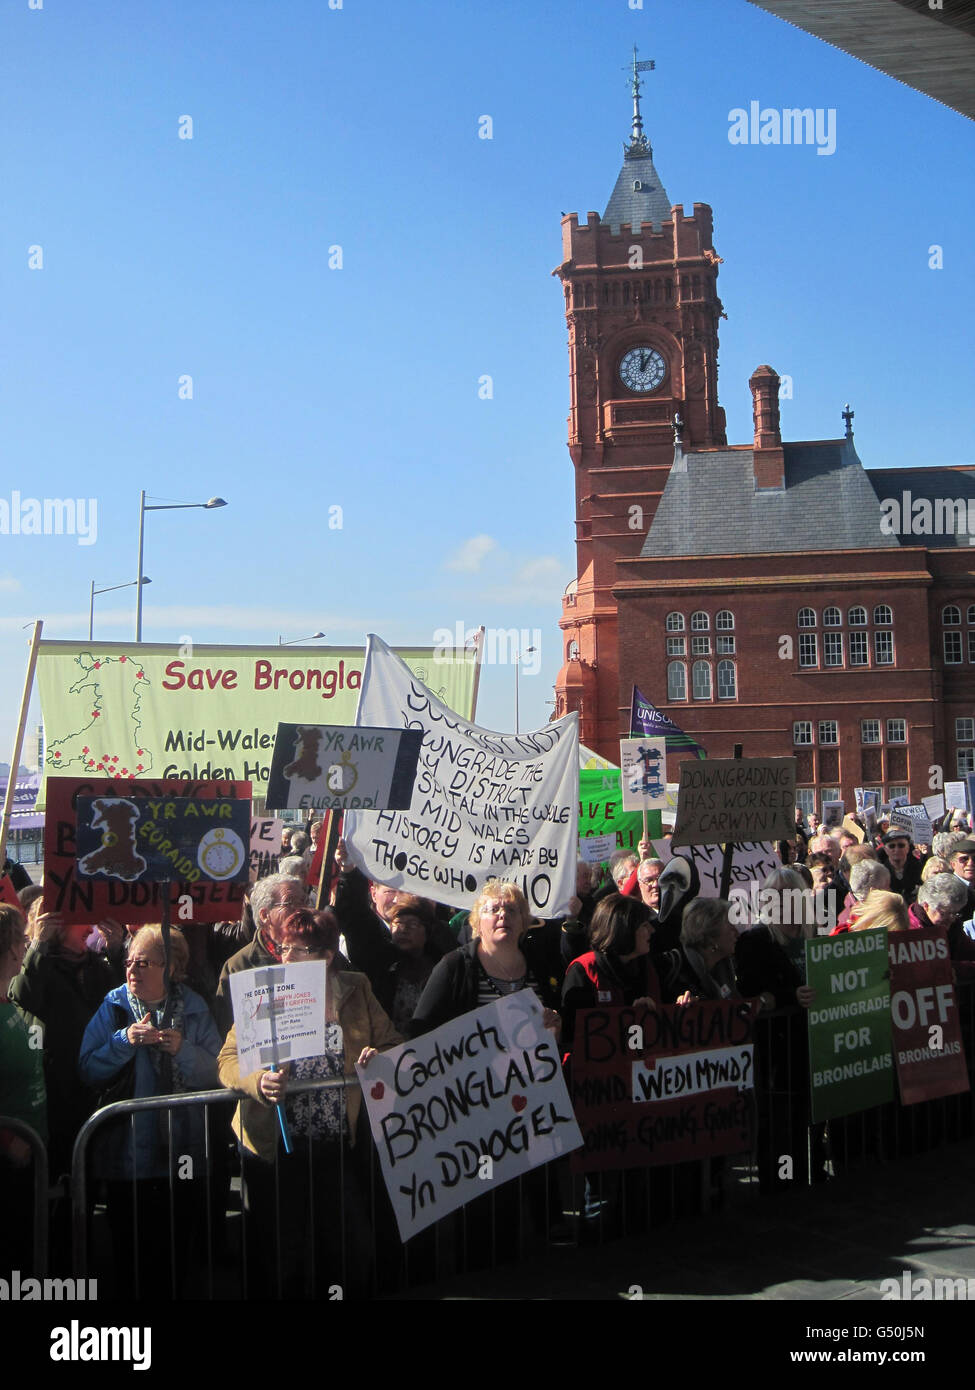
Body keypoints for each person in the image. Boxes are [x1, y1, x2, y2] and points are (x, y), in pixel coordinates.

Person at [217, 907, 400, 1297]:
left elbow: (391, 1045)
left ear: (325, 956)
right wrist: (258, 1081)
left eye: (296, 950)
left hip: (336, 1141)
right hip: (275, 1144)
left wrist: (374, 1057)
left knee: (345, 1245)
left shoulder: (355, 988)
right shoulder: (265, 991)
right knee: (281, 1252)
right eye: (282, 947)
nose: (285, 957)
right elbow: (227, 1060)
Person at [79, 925, 222, 1297]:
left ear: (170, 968)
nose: (132, 970)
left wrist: (183, 1051)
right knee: (132, 1256)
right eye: (129, 961)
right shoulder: (113, 1006)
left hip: (183, 1152)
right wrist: (123, 1041)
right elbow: (88, 1068)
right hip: (129, 1158)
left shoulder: (192, 1007)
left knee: (177, 1253)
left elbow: (218, 1070)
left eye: (143, 963)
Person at [734, 868, 823, 1188]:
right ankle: (781, 1182)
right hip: (777, 1049)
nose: (784, 901)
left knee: (807, 1116)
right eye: (777, 895)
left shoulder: (815, 933)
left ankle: (813, 1173)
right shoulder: (755, 939)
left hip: (814, 1043)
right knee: (780, 1121)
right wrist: (788, 997)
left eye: (790, 894)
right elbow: (749, 991)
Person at [408, 880, 562, 1037]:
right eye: (493, 909)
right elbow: (420, 1032)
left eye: (511, 910)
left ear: (523, 923)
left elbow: (558, 1023)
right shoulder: (454, 967)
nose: (503, 914)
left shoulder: (539, 964)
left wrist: (555, 1026)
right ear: (477, 924)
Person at [0, 904, 46, 1272]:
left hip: (29, 1164)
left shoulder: (11, 1002)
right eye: (23, 938)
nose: (27, 943)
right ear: (14, 948)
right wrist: (6, 1140)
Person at [214, 872, 309, 1035]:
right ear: (265, 915)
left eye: (304, 902)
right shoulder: (239, 967)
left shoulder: (322, 953)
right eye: (291, 903)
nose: (301, 911)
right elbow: (226, 1032)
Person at [561, 893, 659, 1050]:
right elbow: (573, 1036)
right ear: (624, 930)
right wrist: (627, 1017)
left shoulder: (646, 967)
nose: (652, 930)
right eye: (644, 926)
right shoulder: (584, 971)